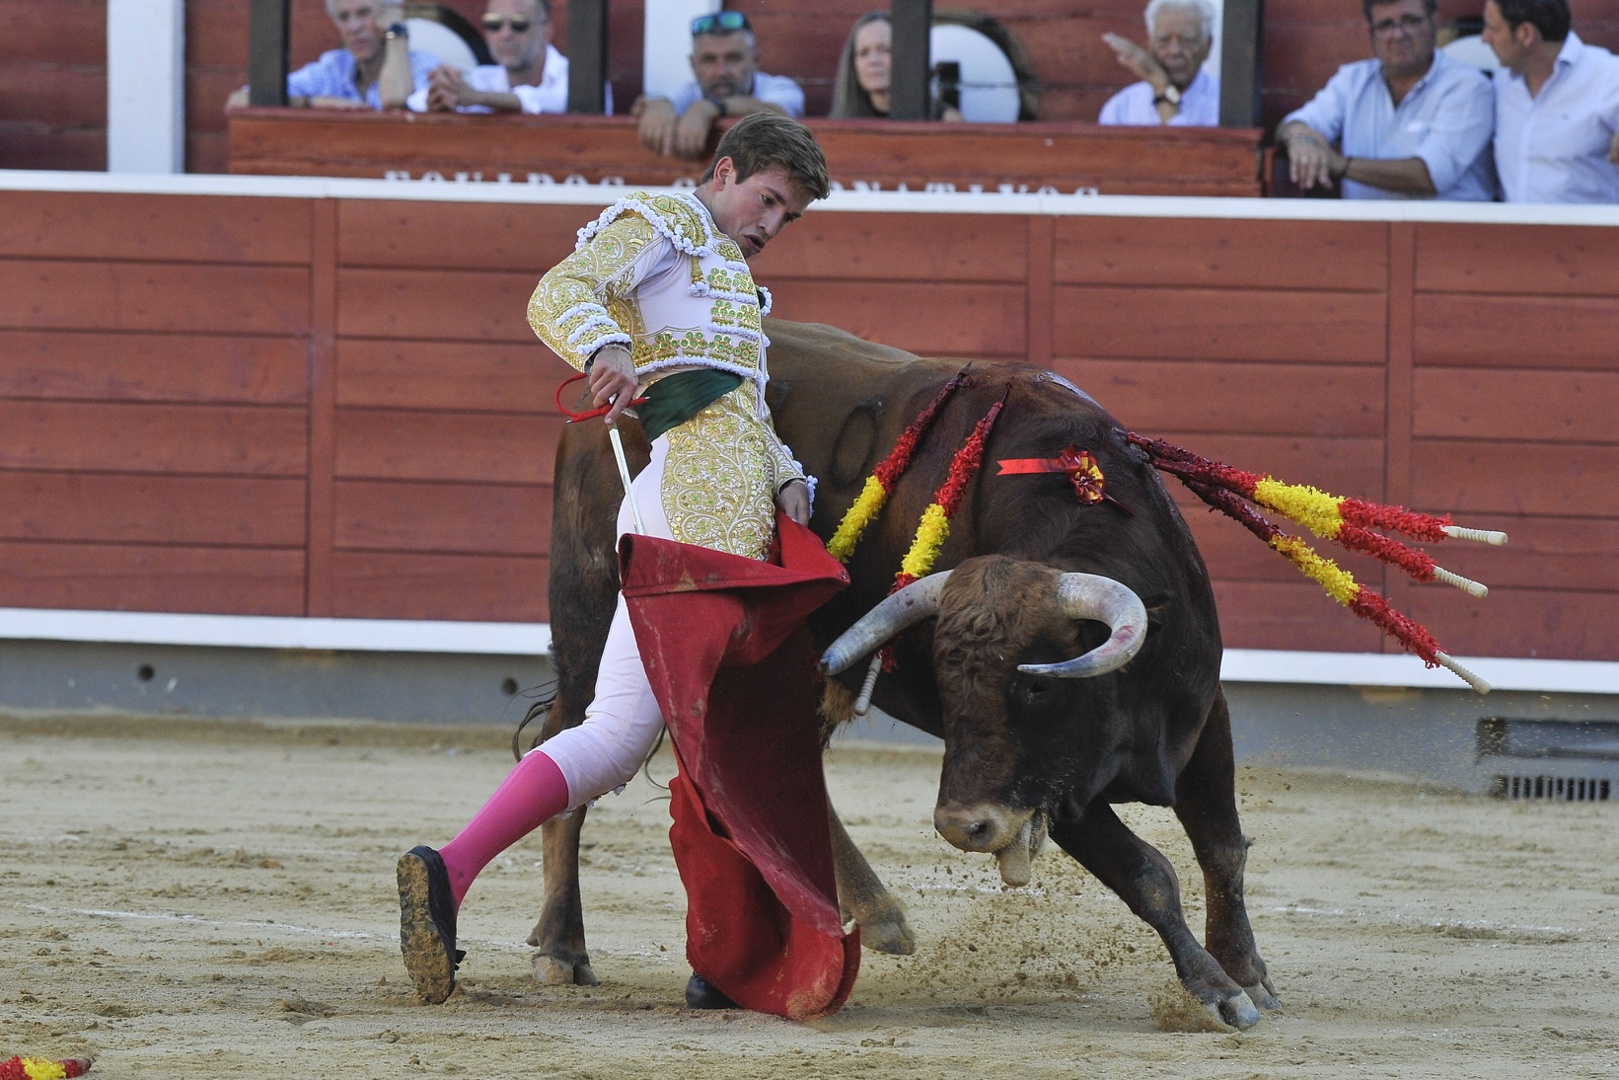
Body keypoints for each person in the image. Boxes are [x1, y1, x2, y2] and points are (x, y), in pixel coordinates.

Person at [397, 112, 830, 1010]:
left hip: (716, 507)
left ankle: (450, 868)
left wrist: (788, 478)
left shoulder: (734, 287)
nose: (768, 225)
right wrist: (605, 348)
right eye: (766, 199)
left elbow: (745, 408)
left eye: (786, 216)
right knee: (733, 733)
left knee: (617, 735)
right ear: (723, 171)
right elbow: (559, 290)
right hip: (690, 514)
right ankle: (729, 958)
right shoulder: (664, 226)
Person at [1276, 0, 1496, 199]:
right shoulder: (1352, 81)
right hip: (1363, 235)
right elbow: (1295, 123)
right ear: (1372, 33)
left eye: (1410, 21)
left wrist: (1340, 164)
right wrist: (1299, 138)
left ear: (1433, 22)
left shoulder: (1468, 87)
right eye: (1385, 25)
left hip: (1450, 238)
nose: (1398, 35)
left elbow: (1429, 176)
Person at [1481, 0, 1619, 203]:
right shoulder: (1500, 85)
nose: (1485, 38)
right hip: (1510, 231)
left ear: (1526, 34)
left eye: (1493, 28)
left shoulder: (1607, 75)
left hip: (1590, 231)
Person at [633, 11, 805, 158]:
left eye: (733, 58)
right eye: (709, 60)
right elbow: (656, 101)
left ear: (755, 60)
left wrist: (708, 107)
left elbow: (778, 114)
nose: (721, 71)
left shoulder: (782, 88)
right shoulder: (689, 91)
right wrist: (656, 103)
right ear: (693, 65)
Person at [225, 0, 436, 110]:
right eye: (344, 17)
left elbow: (394, 99)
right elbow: (240, 100)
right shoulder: (333, 68)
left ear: (392, 12)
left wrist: (396, 31)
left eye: (364, 13)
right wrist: (309, 103)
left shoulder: (424, 67)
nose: (353, 27)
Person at [407, 0, 567, 114]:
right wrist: (438, 97)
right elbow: (415, 103)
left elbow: (557, 101)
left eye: (519, 23)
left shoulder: (576, 79)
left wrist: (477, 97)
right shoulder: (482, 78)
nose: (505, 35)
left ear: (546, 32)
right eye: (494, 23)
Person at [1098, 0, 1221, 126]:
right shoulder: (1122, 108)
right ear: (1150, 44)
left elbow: (1180, 145)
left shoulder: (1226, 104)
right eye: (1164, 40)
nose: (1174, 51)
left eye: (1188, 40)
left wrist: (1163, 90)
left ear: (1208, 46)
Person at [828, 11, 963, 120]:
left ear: (906, 56)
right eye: (864, 53)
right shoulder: (839, 124)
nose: (874, 60)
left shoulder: (946, 120)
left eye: (884, 50)